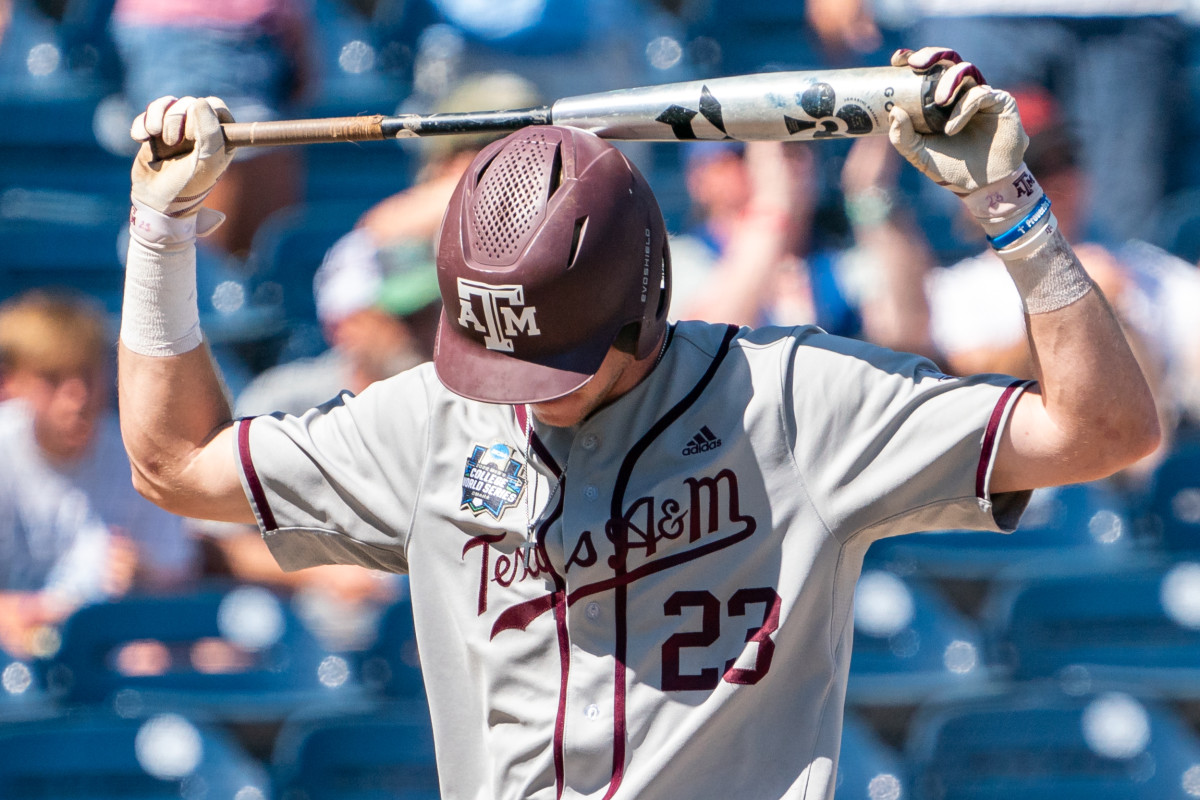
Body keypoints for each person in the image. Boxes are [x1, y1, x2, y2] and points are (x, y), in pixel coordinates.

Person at [116, 47, 1159, 799]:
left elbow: (1103, 431)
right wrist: (162, 233)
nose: (515, 388)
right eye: (494, 357)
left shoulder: (795, 400)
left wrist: (1013, 215)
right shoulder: (430, 419)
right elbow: (175, 463)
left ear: (642, 307)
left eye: (551, 361)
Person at [0, 290, 196, 657]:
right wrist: (25, 614)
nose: (77, 396)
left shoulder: (139, 457)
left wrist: (142, 573)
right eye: (52, 378)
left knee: (150, 656)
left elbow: (177, 576)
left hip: (101, 645)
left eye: (87, 375)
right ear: (10, 382)